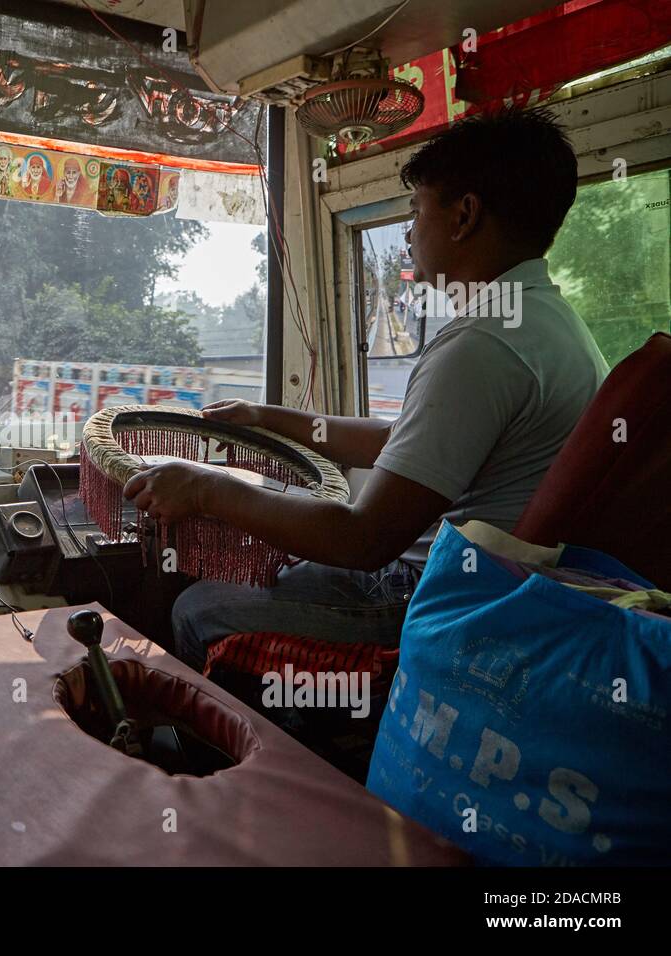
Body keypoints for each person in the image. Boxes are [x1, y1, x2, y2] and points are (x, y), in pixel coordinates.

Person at [123, 109, 608, 671]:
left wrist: (205, 490)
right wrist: (266, 417)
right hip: (496, 589)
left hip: (431, 600)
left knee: (198, 607)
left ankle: (275, 753)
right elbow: (400, 446)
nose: (408, 233)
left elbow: (362, 541)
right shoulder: (542, 322)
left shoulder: (482, 346)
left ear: (464, 216)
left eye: (415, 211)